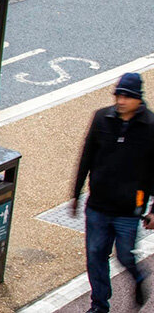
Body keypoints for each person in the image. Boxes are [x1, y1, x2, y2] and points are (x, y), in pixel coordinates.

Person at [72, 72, 153, 312]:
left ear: (138, 99)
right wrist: (75, 194)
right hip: (98, 205)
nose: (121, 101)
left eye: (127, 97)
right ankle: (99, 305)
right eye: (118, 95)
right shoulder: (101, 119)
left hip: (128, 208)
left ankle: (138, 278)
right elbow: (85, 157)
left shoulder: (150, 128)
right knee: (95, 256)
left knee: (125, 256)